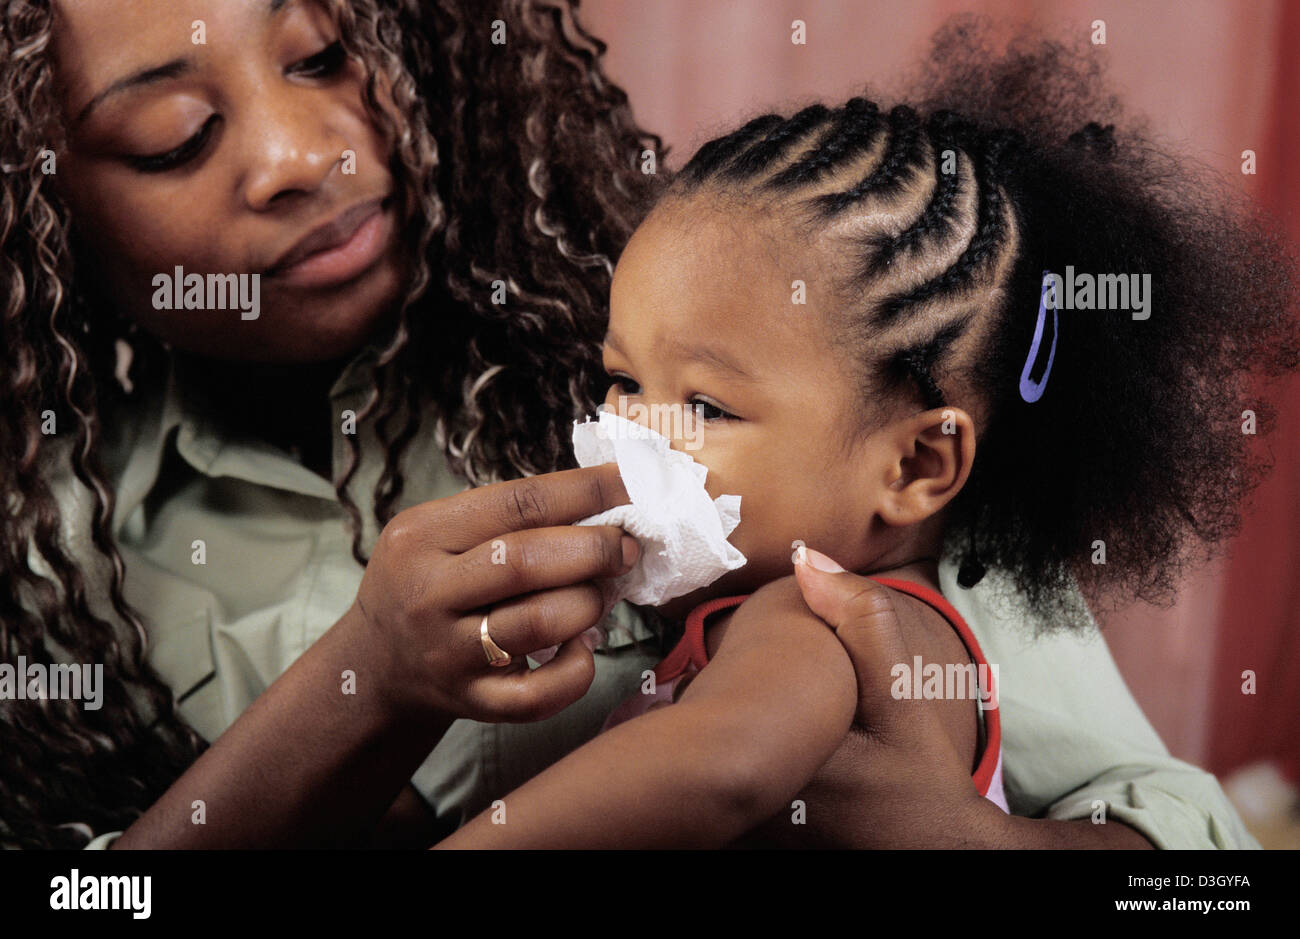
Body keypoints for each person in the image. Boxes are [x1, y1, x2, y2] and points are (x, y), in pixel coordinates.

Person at [0, 0, 1268, 849]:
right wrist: (361, 688)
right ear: (40, 195)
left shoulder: (781, 327)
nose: (295, 154)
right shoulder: (51, 561)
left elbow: (1191, 866)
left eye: (326, 53)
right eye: (171, 134)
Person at [432, 77, 1300, 846]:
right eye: (622, 380)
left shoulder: (820, 617)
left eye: (706, 406)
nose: (631, 431)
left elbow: (720, 764)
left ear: (918, 465)